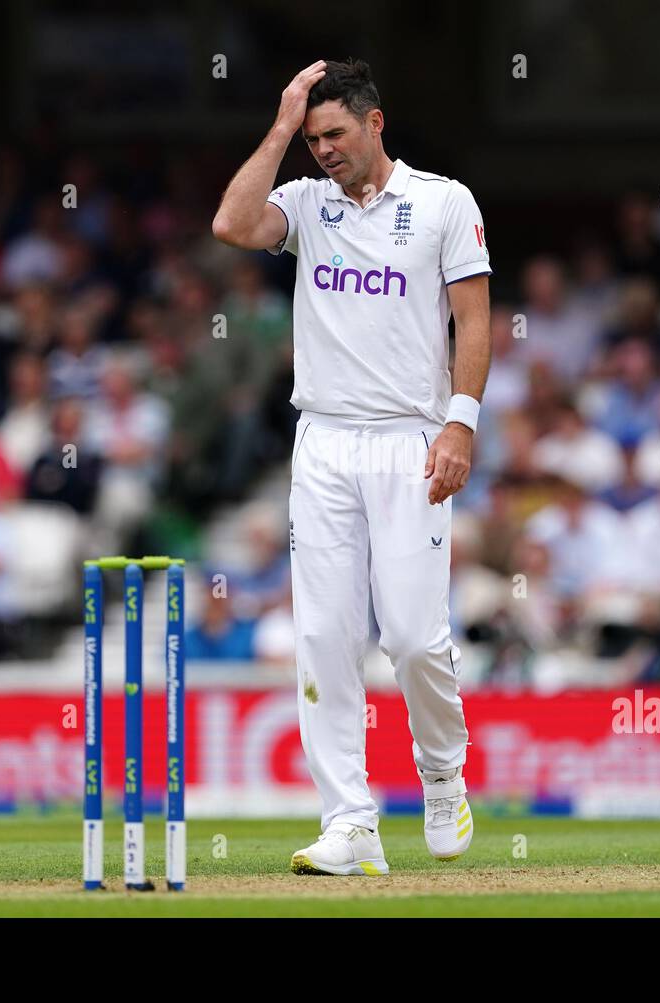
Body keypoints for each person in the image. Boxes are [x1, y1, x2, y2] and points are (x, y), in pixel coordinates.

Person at [212, 59, 490, 876]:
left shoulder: (444, 201)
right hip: (324, 439)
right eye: (312, 139)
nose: (322, 150)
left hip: (410, 436)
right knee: (324, 637)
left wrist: (459, 426)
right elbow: (230, 224)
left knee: (410, 634)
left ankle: (442, 771)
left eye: (334, 134)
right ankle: (349, 822)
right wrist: (280, 121)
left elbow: (472, 321)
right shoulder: (304, 204)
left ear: (376, 123)